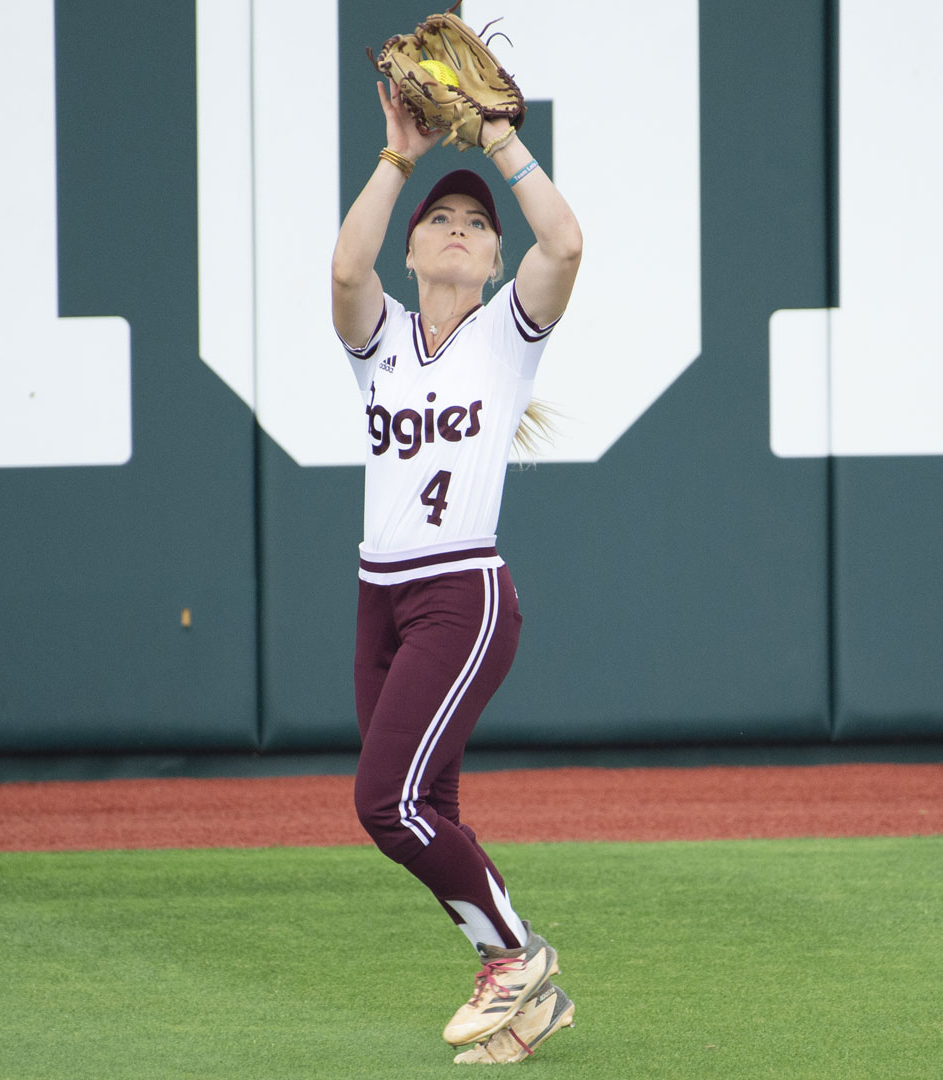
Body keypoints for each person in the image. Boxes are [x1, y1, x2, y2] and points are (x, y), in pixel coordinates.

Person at [330, 74, 583, 1066]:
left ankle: (515, 954)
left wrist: (505, 147)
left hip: (461, 594)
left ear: (490, 261)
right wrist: (400, 155)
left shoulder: (503, 338)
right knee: (423, 809)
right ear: (413, 246)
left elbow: (561, 245)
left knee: (383, 802)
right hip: (379, 600)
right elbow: (346, 274)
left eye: (477, 225)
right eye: (443, 215)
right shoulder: (383, 340)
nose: (459, 228)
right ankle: (530, 1005)